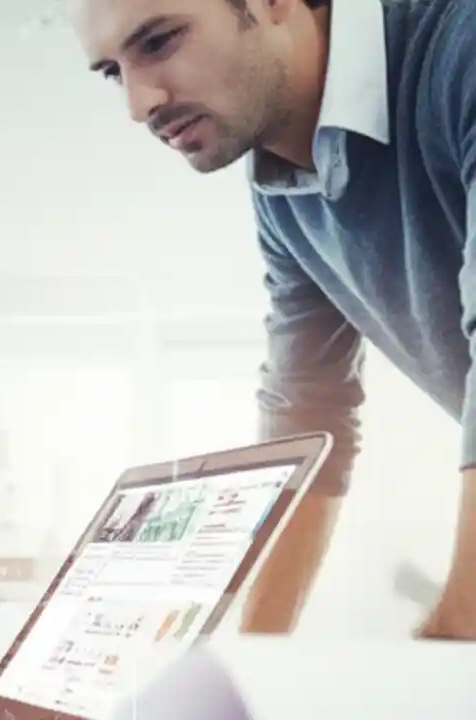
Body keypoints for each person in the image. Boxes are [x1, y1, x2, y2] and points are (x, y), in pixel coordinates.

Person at [70, 0, 476, 638]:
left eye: (159, 41)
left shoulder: (461, 45)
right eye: (112, 72)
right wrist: (251, 664)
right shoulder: (281, 189)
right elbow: (309, 411)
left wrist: (460, 622)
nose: (139, 103)